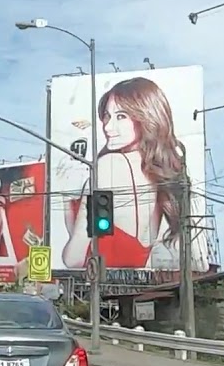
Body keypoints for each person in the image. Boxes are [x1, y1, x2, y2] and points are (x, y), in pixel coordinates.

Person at [61, 77, 189, 269]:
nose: (108, 127)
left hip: (100, 285)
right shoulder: (157, 174)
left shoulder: (108, 165)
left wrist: (65, 199)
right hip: (136, 281)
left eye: (121, 116)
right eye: (107, 116)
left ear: (146, 117)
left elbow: (73, 258)